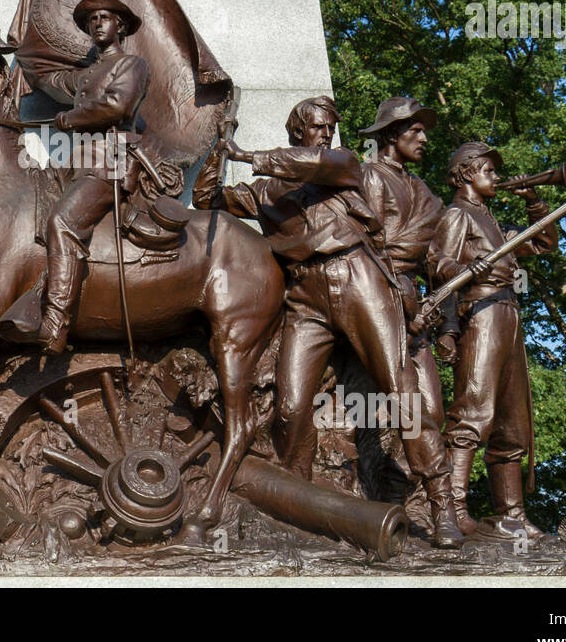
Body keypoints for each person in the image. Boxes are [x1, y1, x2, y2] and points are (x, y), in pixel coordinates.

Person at [194, 95, 464, 548]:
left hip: (359, 279)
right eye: (317, 127)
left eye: (329, 127)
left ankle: (442, 505)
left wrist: (249, 156)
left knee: (401, 393)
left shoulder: (344, 167)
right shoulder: (266, 193)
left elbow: (318, 162)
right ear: (297, 130)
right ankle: (305, 506)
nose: (326, 134)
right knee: (291, 407)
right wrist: (219, 149)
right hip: (304, 297)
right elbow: (206, 199)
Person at [428, 142, 558, 539]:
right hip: (480, 314)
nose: (497, 177)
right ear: (467, 172)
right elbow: (435, 264)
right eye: (489, 170)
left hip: (509, 316)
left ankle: (512, 516)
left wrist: (534, 200)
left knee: (514, 423)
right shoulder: (456, 215)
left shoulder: (495, 223)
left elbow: (544, 241)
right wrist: (450, 326)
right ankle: (453, 508)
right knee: (472, 413)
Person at [358, 97, 458, 529]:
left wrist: (459, 267)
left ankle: (412, 503)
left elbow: (434, 255)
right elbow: (364, 245)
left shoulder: (425, 192)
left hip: (415, 304)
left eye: (424, 131)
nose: (423, 138)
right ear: (390, 135)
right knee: (403, 405)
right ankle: (421, 506)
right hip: (377, 297)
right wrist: (399, 301)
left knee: (430, 409)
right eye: (414, 130)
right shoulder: (370, 178)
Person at [37, 0, 149, 354]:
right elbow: (50, 81)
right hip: (75, 166)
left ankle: (55, 325)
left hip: (108, 163)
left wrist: (71, 117)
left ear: (120, 26)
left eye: (104, 18)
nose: (97, 24)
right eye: (92, 20)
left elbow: (117, 105)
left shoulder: (130, 65)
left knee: (62, 223)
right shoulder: (85, 74)